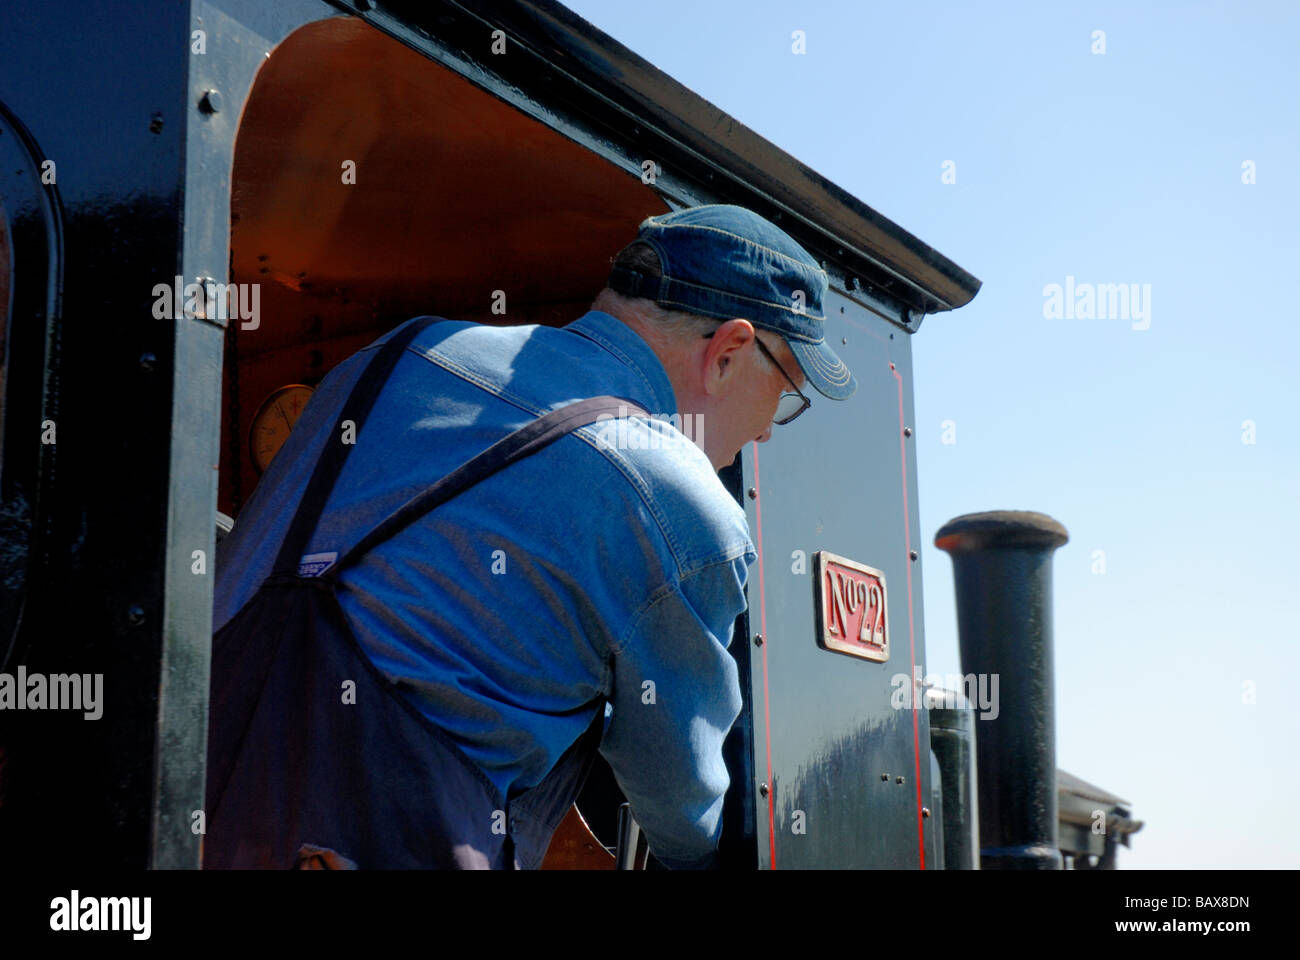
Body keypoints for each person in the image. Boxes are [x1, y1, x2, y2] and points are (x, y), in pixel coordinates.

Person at [205, 204, 857, 870]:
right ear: (730, 352)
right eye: (786, 393)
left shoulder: (391, 354)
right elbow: (683, 808)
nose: (772, 428)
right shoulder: (678, 502)